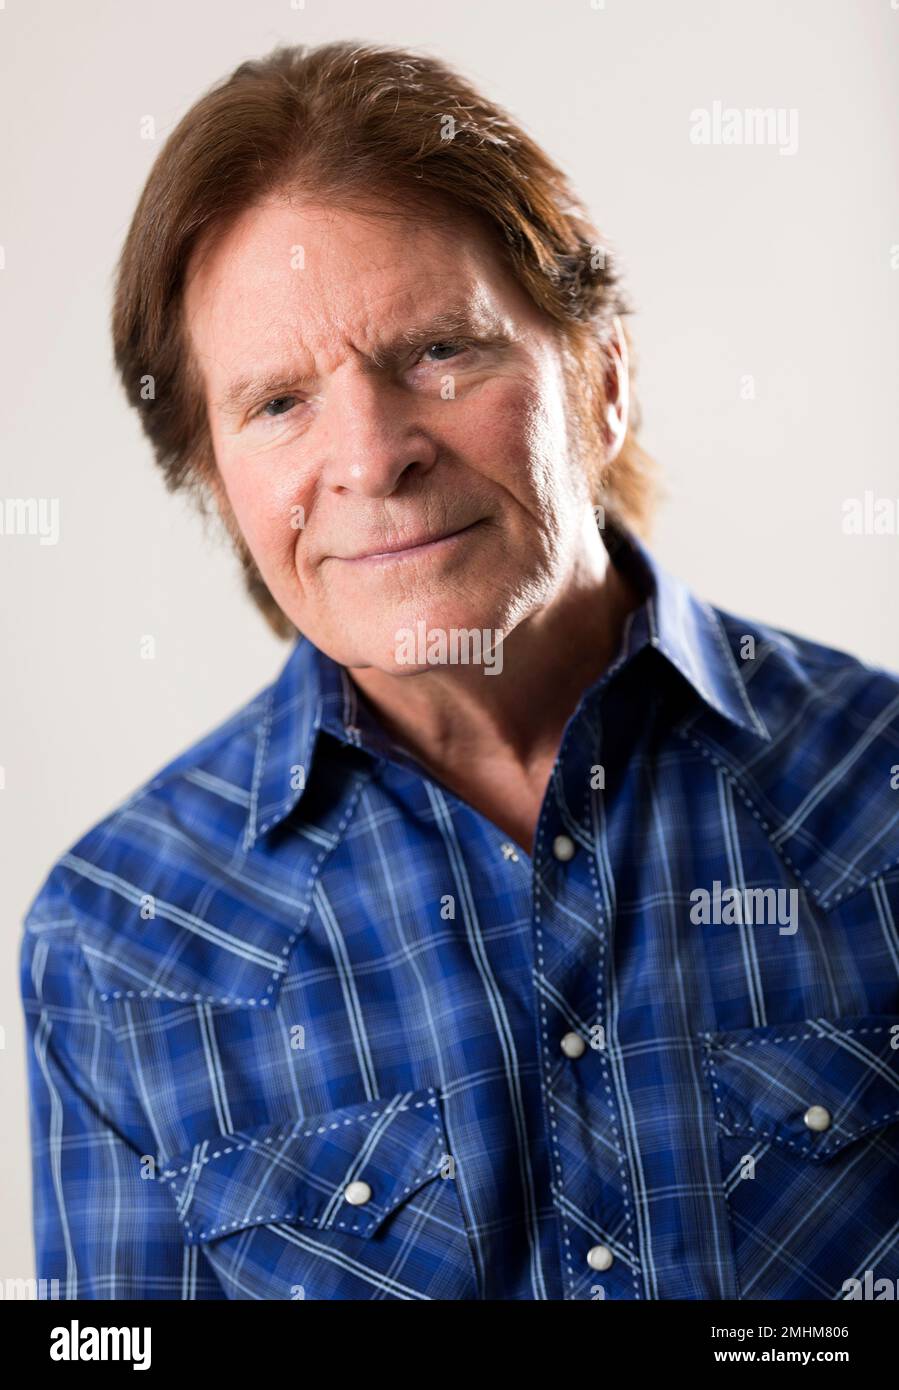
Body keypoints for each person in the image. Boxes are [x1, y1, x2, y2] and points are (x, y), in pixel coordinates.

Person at [20, 40, 899, 1301]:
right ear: (218, 488)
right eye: (277, 404)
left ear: (600, 379)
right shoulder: (118, 943)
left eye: (437, 350)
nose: (372, 458)